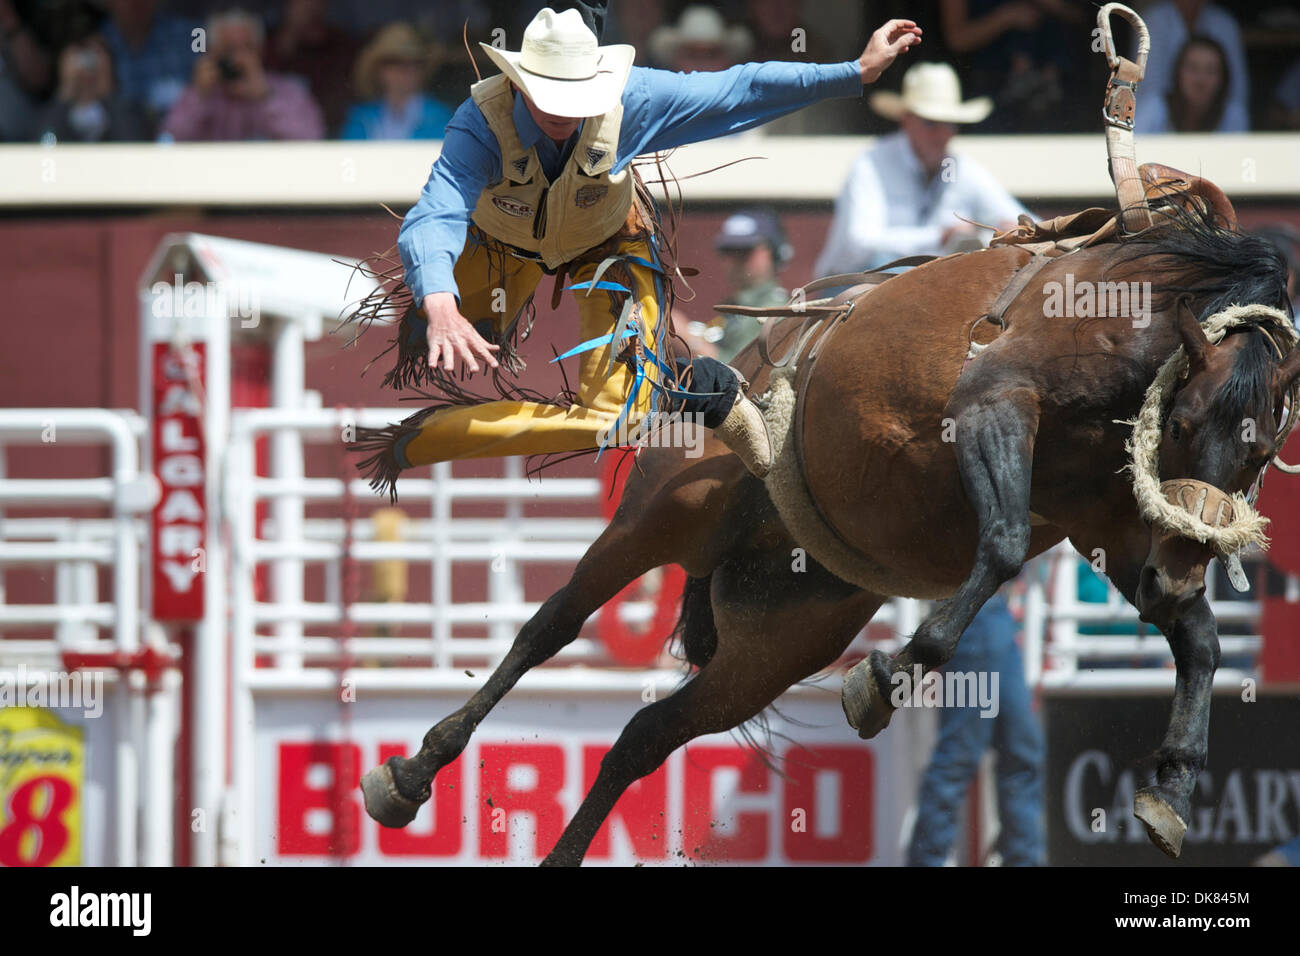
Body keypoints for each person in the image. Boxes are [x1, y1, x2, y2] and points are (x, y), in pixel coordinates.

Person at [350, 5, 922, 491]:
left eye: (576, 93)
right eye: (549, 92)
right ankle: (450, 322)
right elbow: (435, 214)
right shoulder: (480, 121)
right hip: (500, 243)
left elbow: (739, 87)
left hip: (609, 246)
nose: (562, 108)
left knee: (621, 420)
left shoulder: (637, 99)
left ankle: (424, 440)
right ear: (520, 82)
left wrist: (856, 71)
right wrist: (441, 304)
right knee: (431, 331)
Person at [815, 60, 1029, 277]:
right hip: (847, 290)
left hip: (921, 292)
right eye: (931, 122)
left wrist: (1012, 231)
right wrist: (939, 236)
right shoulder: (870, 164)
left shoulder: (963, 169)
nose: (943, 134)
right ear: (906, 120)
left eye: (950, 124)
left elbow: (1027, 222)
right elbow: (860, 244)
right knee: (888, 268)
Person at [906, 587, 1046, 866]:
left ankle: (1023, 859)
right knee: (960, 755)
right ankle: (926, 860)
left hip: (987, 611)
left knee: (1020, 752)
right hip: (974, 608)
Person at [161, 8, 324, 142]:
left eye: (246, 49)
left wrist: (265, 97)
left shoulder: (289, 92)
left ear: (261, 51)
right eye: (229, 50)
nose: (238, 59)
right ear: (212, 53)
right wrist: (199, 96)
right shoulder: (201, 92)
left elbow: (310, 140)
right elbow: (168, 140)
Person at [1134, 1, 1248, 134]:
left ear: (1223, 78)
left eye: (1210, 71)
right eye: (1192, 69)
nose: (1200, 79)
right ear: (1178, 74)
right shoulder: (1154, 109)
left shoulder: (1233, 116)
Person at [697, 208, 793, 364]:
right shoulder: (735, 304)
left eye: (744, 251)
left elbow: (738, 370)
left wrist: (685, 339)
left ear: (774, 253)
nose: (734, 260)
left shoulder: (774, 309)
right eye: (728, 250)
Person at [264, 0, 361, 137]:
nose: (309, 7)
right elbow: (265, 82)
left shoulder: (341, 46)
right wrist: (289, 37)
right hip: (281, 136)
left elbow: (344, 98)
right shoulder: (272, 45)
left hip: (330, 133)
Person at [341, 23, 453, 141]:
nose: (405, 69)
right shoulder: (360, 118)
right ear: (379, 70)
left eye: (414, 62)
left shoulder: (443, 118)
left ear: (422, 69)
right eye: (394, 61)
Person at [99, 0, 198, 128]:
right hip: (117, 138)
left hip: (180, 138)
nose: (135, 3)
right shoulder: (96, 41)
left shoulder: (190, 34)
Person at [38, 35, 148, 142]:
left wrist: (107, 89)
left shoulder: (129, 111)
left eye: (94, 56)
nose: (87, 64)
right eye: (79, 57)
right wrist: (65, 92)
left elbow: (132, 144)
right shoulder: (52, 113)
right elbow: (42, 144)